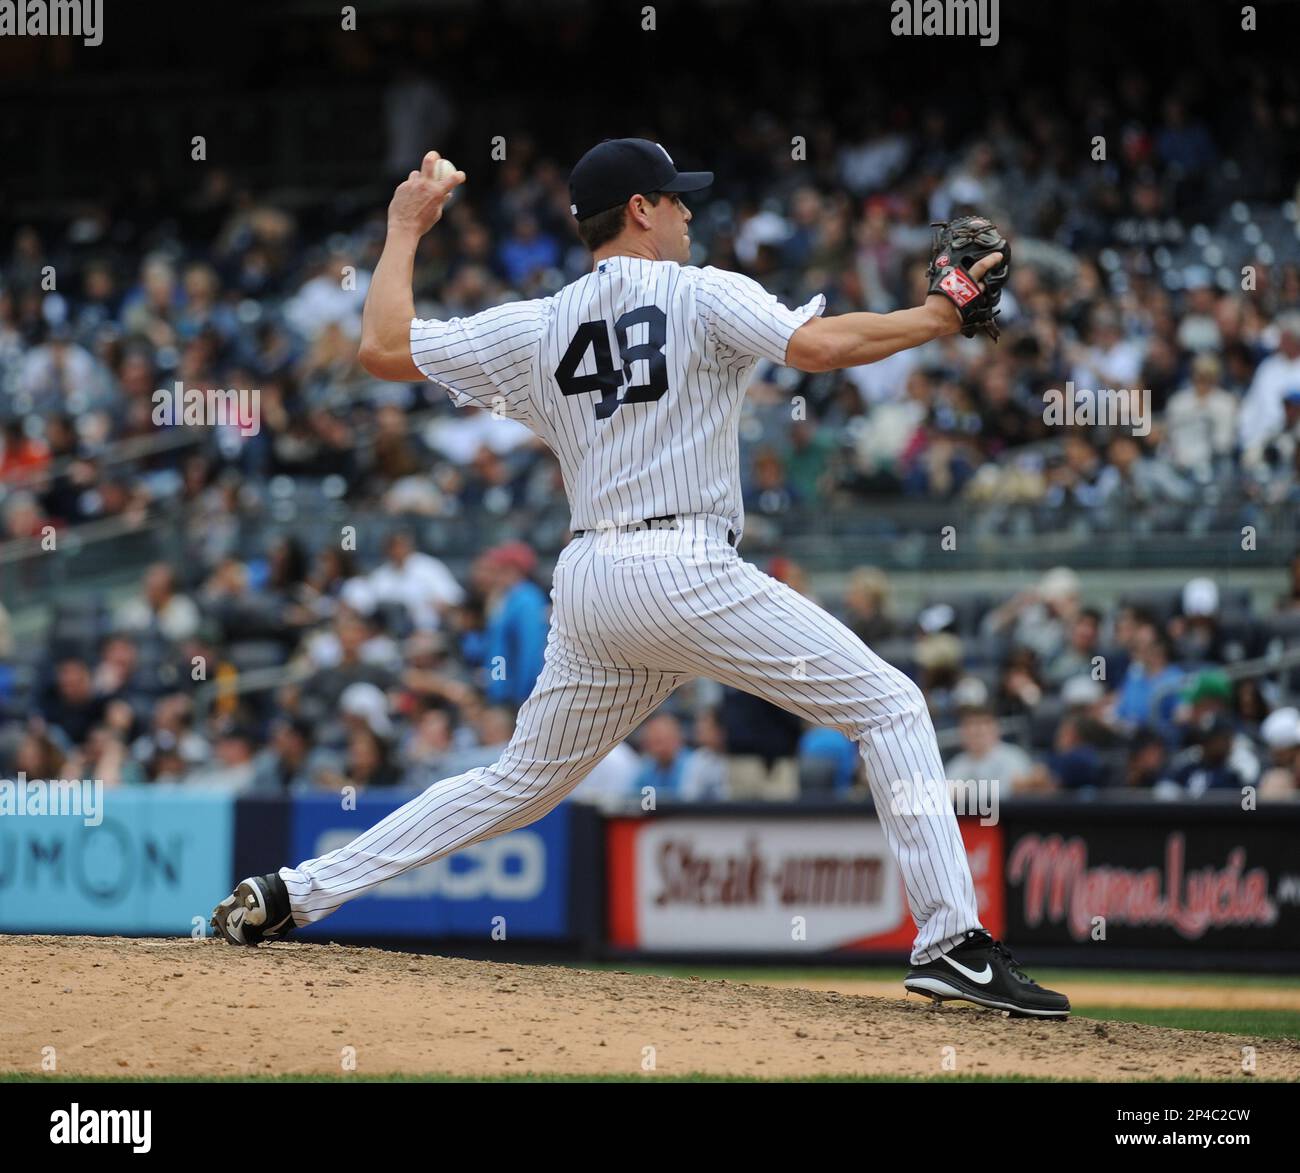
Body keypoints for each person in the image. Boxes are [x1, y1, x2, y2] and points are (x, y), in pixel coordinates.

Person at [212, 139, 1067, 1017]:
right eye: (676, 198)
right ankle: (953, 943)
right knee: (889, 706)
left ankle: (292, 890)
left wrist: (402, 229)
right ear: (639, 210)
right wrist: (938, 314)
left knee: (517, 782)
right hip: (682, 564)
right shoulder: (702, 292)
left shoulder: (536, 323)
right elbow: (818, 347)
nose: (690, 212)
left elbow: (383, 348)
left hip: (590, 581)